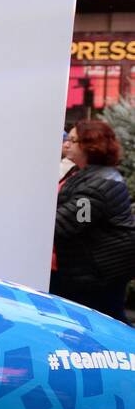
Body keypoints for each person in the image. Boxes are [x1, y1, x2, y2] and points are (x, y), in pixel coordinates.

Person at [52, 120, 135, 321]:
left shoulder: (99, 184)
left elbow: (65, 223)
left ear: (90, 146)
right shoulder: (84, 173)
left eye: (73, 140)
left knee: (102, 328)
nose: (67, 144)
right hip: (87, 271)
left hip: (96, 276)